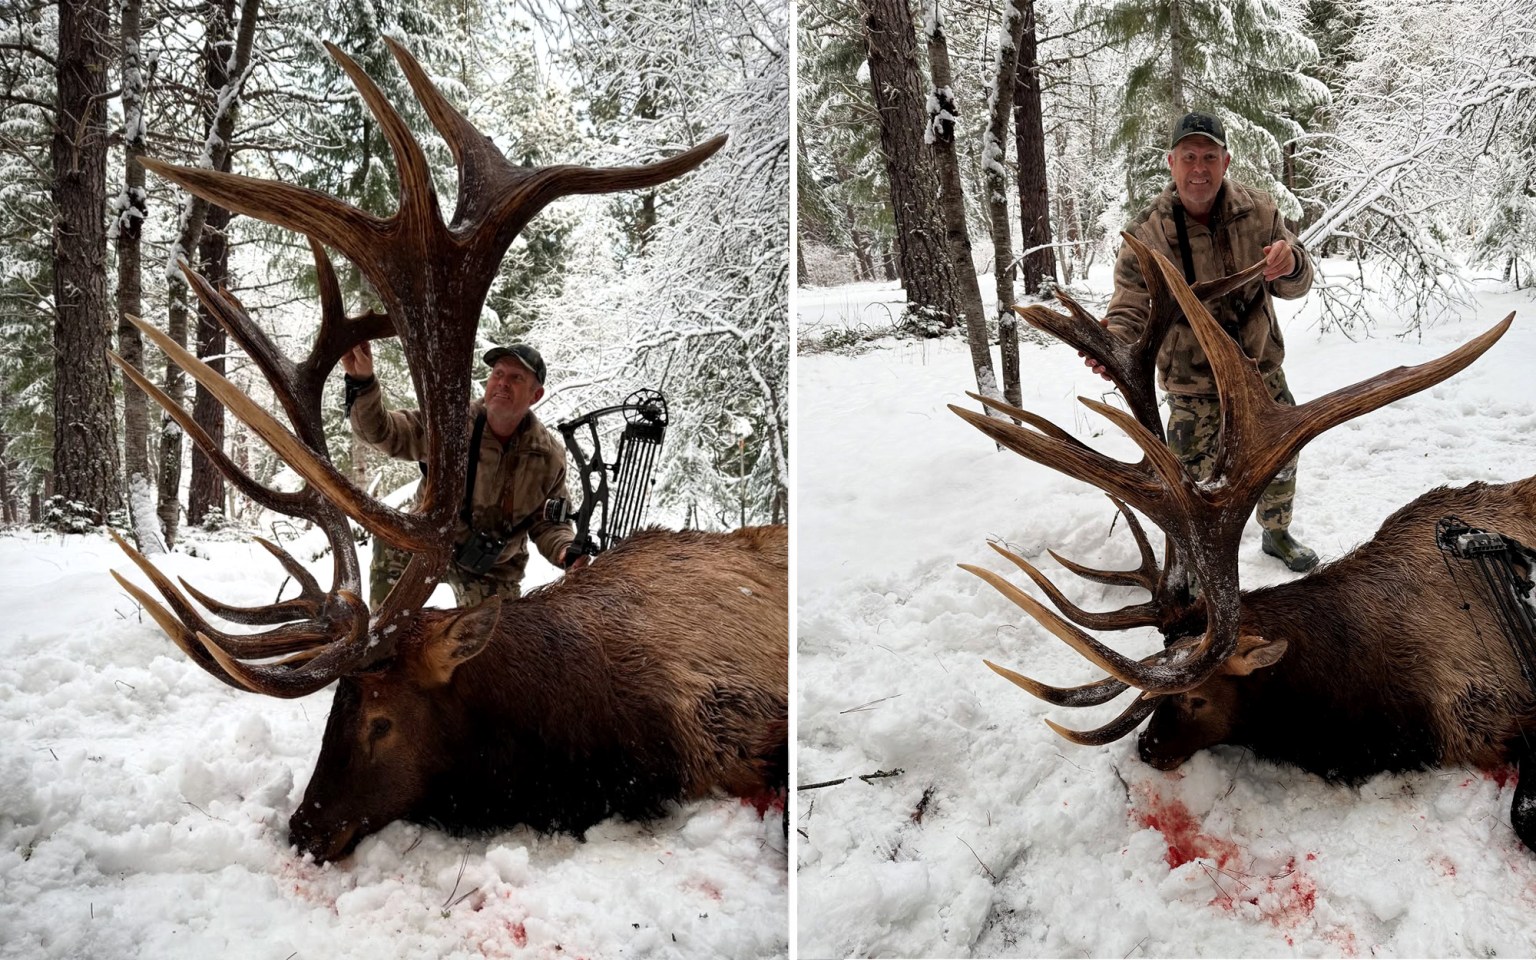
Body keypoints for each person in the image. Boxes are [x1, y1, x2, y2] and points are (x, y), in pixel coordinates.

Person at [1087, 111, 1319, 572]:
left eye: (1209, 156)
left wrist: (1291, 263)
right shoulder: (1146, 232)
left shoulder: (1261, 212)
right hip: (1192, 384)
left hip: (1259, 372)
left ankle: (1275, 531)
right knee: (1193, 485)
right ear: (1171, 162)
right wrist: (1112, 343)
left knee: (1282, 457)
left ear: (1226, 161)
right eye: (1189, 156)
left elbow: (1297, 282)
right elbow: (1131, 304)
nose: (1199, 168)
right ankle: (1196, 562)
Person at [342, 340, 589, 609]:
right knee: (392, 540)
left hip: (493, 567)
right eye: (498, 374)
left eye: (516, 378)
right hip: (430, 541)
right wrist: (363, 382)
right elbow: (381, 432)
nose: (503, 383)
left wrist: (565, 550)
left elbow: (550, 523)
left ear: (535, 395)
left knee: (497, 643)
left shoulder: (548, 456)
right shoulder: (449, 422)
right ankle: (385, 635)